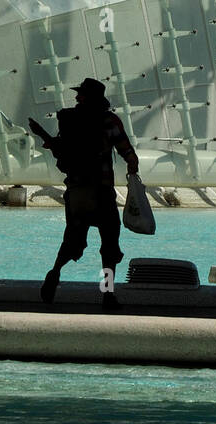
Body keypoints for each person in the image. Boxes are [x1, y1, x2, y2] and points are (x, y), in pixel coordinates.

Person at [29, 78, 139, 312]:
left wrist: (45, 138)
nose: (77, 97)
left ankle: (55, 272)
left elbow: (58, 148)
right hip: (101, 191)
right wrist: (132, 166)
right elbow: (126, 150)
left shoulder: (70, 119)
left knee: (72, 239)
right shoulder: (109, 120)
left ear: (83, 97)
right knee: (109, 245)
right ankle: (108, 293)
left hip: (77, 192)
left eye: (79, 94)